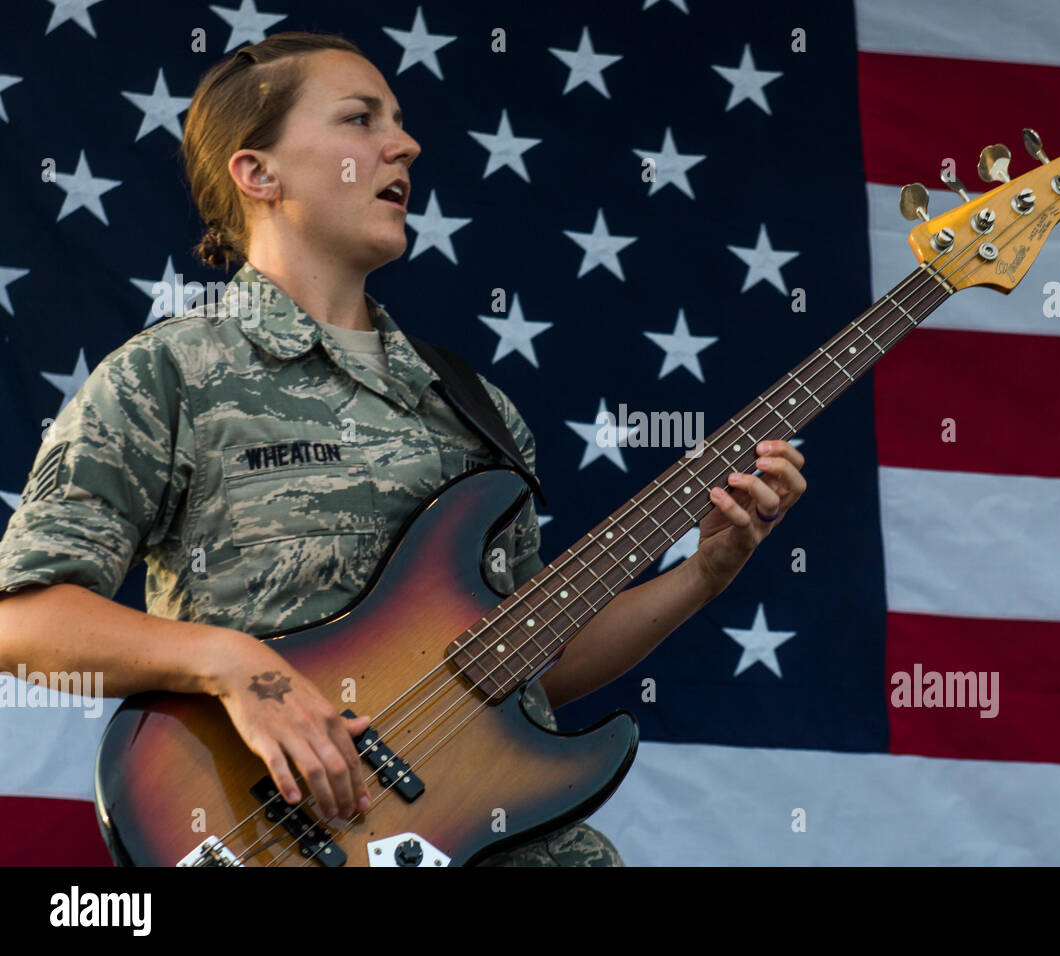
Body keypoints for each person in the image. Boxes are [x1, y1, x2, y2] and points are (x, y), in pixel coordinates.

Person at [0, 31, 807, 867]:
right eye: (360, 119)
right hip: (258, 834)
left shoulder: (477, 410)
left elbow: (518, 670)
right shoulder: (169, 374)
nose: (406, 144)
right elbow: (19, 624)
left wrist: (701, 574)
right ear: (258, 174)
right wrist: (232, 665)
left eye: (400, 120)